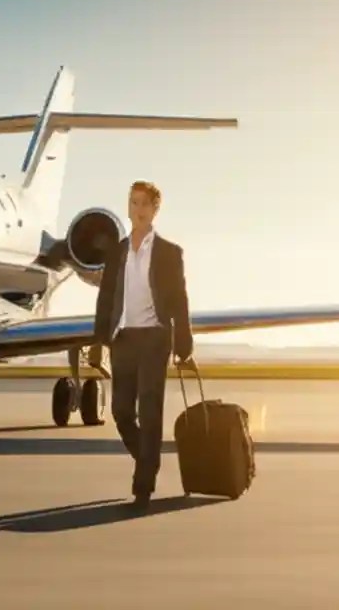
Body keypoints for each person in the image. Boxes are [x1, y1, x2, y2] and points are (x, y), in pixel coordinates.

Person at [88, 180, 195, 509]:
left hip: (154, 337)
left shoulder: (168, 253)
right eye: (134, 203)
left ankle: (143, 486)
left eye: (145, 204)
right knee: (121, 411)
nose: (139, 210)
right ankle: (147, 460)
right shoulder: (117, 252)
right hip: (124, 337)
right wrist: (98, 340)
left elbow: (179, 300)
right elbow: (106, 298)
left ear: (155, 210)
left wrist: (184, 344)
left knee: (149, 411)